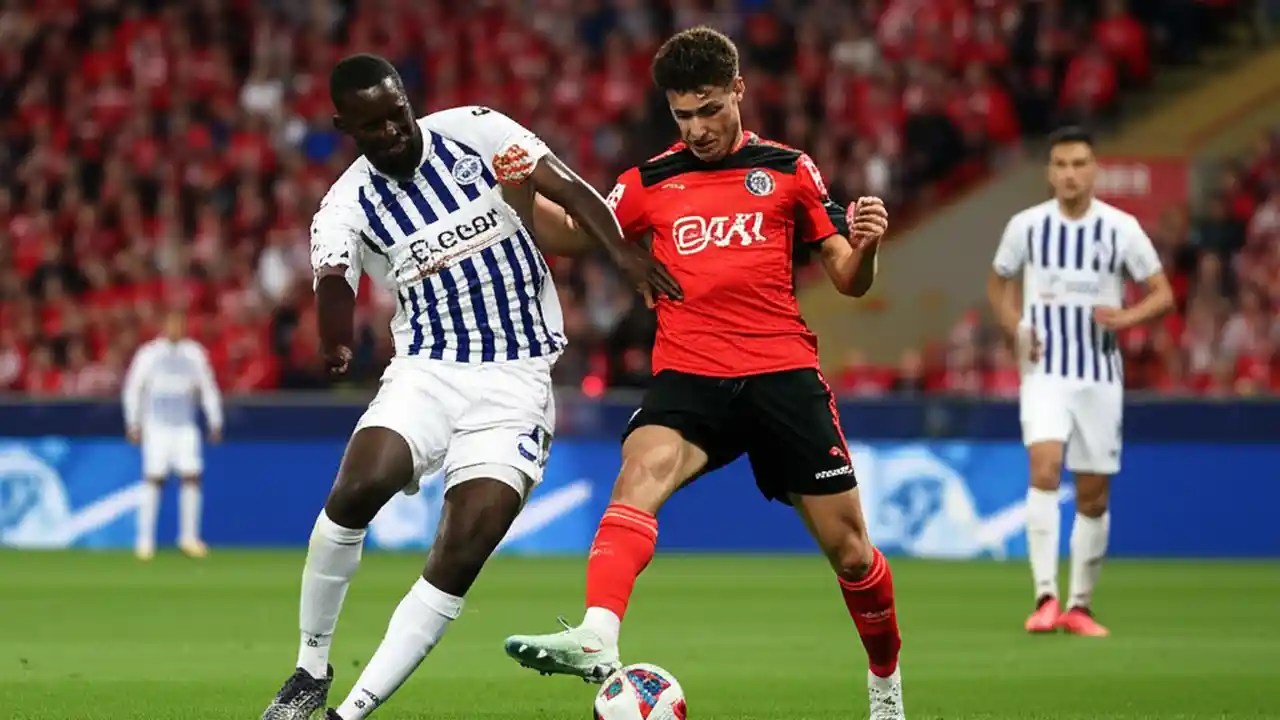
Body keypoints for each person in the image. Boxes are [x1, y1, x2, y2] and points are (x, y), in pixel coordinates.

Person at [502, 27, 905, 720]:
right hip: (691, 375)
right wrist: (515, 193)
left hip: (782, 374)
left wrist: (865, 246)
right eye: (683, 115)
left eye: (709, 109)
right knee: (637, 474)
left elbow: (847, 278)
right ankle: (599, 634)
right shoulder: (649, 181)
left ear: (738, 91)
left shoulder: (788, 169)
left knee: (849, 552)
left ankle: (885, 680)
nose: (697, 128)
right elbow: (572, 233)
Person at [260, 54, 678, 720]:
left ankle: (350, 713)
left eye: (397, 115)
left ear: (407, 100)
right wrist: (335, 337)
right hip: (427, 372)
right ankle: (310, 670)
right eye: (373, 128)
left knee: (463, 546)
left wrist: (621, 251)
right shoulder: (345, 204)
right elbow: (335, 281)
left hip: (515, 381)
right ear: (347, 128)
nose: (393, 133)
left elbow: (565, 186)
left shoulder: (473, 132)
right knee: (357, 488)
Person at [986, 126, 1173, 637]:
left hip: (1098, 376)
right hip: (1044, 372)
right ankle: (1045, 597)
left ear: (1094, 170)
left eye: (1079, 164)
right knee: (1044, 468)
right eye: (1061, 165)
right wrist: (1015, 326)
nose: (1070, 174)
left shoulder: (1121, 228)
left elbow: (1162, 293)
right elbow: (998, 282)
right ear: (1050, 173)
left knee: (1093, 496)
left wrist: (1126, 317)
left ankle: (1080, 606)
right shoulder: (1027, 226)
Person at [121, 308, 223, 561]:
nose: (176, 328)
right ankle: (145, 541)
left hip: (185, 425)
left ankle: (189, 538)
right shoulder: (149, 354)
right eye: (171, 323)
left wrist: (215, 419)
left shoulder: (194, 354)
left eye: (180, 323)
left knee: (192, 476)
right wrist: (133, 422)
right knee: (154, 479)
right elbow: (133, 388)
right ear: (164, 325)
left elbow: (207, 387)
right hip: (156, 425)